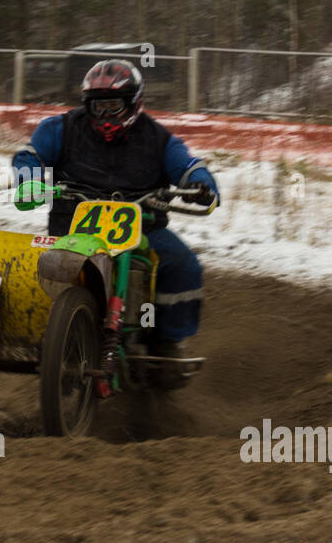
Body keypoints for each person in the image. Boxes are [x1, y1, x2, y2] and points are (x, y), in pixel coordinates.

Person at [11, 59, 219, 358]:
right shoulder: (60, 128)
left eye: (113, 106)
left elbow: (188, 166)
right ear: (87, 105)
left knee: (183, 265)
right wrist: (28, 179)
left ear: (134, 104)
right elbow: (29, 155)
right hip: (72, 227)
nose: (105, 115)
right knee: (35, 266)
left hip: (141, 227)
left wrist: (202, 186)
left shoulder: (160, 140)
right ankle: (44, 326)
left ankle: (168, 342)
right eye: (98, 107)